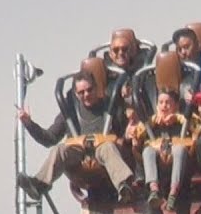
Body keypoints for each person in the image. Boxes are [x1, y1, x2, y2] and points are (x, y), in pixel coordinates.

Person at [17, 70, 136, 202]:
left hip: (104, 155)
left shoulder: (111, 107)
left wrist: (128, 132)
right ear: (75, 94)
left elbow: (126, 134)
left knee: (107, 147)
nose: (86, 95)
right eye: (81, 92)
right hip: (79, 158)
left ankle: (124, 187)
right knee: (59, 149)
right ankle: (39, 185)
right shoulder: (70, 112)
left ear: (96, 88)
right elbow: (49, 138)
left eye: (89, 90)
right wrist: (29, 123)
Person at [128, 89, 193, 211]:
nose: (164, 106)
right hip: (159, 163)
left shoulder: (183, 119)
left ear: (176, 105)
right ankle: (154, 190)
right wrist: (150, 122)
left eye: (168, 103)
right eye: (161, 102)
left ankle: (174, 192)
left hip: (179, 161)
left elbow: (198, 125)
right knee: (147, 151)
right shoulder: (152, 122)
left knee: (179, 149)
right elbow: (137, 132)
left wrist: (178, 118)